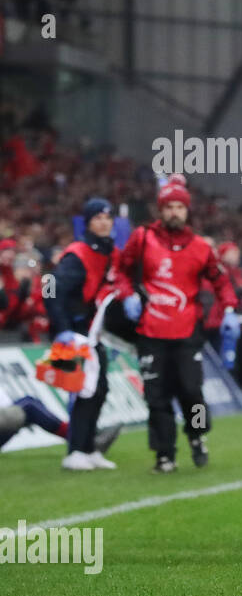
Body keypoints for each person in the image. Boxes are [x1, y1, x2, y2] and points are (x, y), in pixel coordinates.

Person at [114, 177, 240, 474]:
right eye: (168, 206)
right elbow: (120, 270)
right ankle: (164, 454)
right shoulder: (142, 238)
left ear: (187, 211)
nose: (174, 212)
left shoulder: (200, 247)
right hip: (150, 331)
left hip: (186, 332)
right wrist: (127, 294)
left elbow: (221, 281)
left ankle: (197, 436)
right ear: (160, 209)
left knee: (192, 392)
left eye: (179, 207)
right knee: (156, 395)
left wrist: (231, 309)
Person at [42, 198, 126, 470]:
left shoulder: (110, 253)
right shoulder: (78, 253)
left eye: (107, 217)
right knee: (83, 391)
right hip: (75, 330)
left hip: (94, 330)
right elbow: (49, 285)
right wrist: (62, 328)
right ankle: (75, 450)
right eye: (98, 217)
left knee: (99, 389)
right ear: (88, 222)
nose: (103, 222)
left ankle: (89, 448)